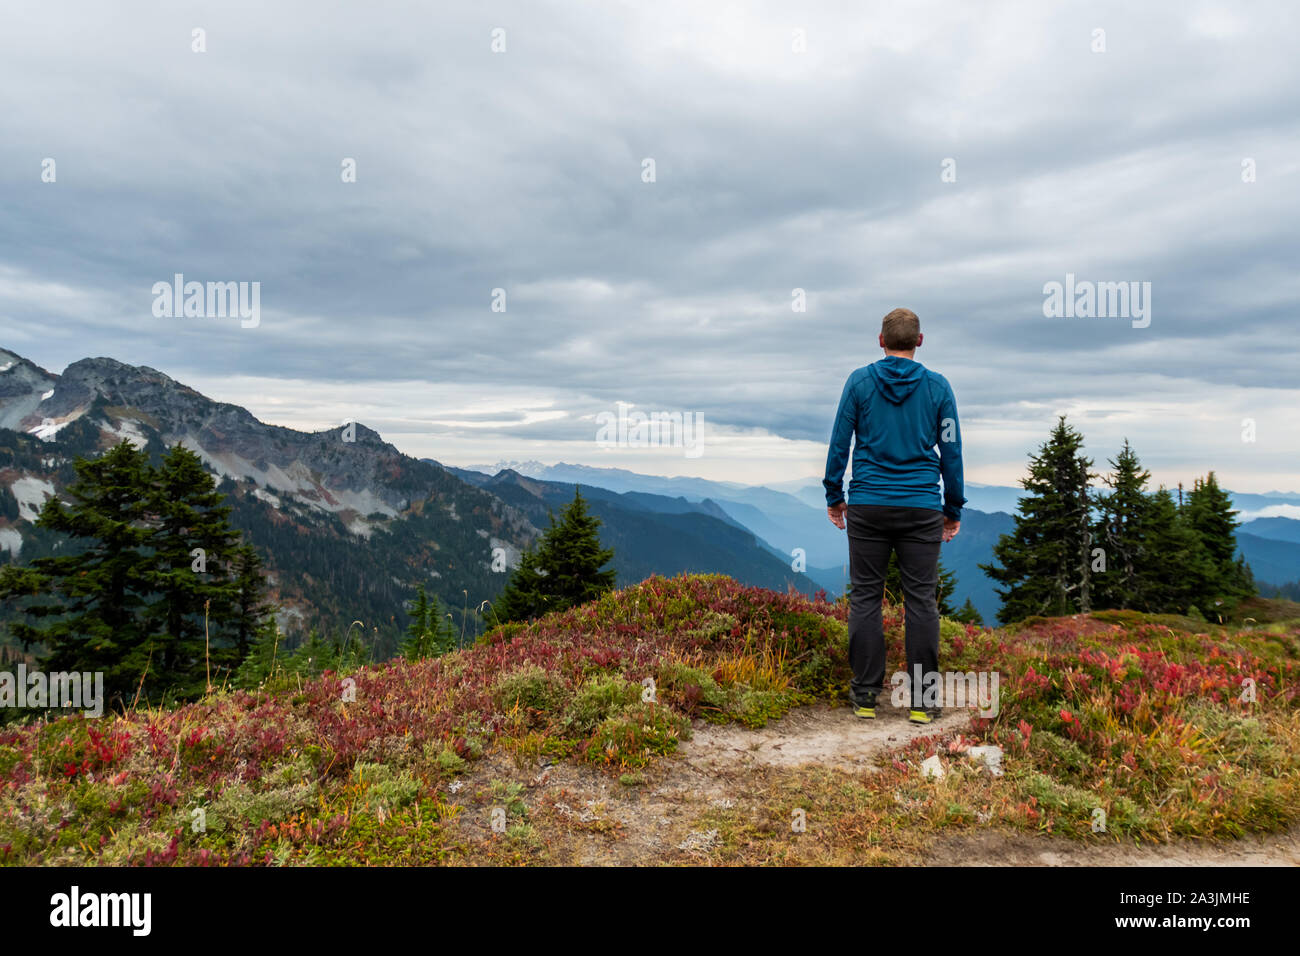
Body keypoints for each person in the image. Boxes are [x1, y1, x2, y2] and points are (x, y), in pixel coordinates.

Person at [822, 307, 965, 724]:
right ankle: (922, 702)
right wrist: (952, 507)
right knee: (921, 599)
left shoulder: (859, 382)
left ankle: (865, 696)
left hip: (868, 503)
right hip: (921, 505)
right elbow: (951, 451)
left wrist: (835, 494)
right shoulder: (939, 388)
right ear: (919, 341)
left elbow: (839, 441)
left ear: (880, 341)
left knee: (866, 596)